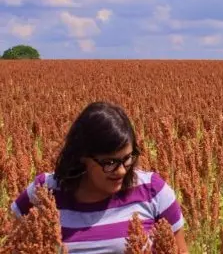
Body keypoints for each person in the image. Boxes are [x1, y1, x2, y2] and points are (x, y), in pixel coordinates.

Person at [10, 101, 189, 253]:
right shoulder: (45, 191)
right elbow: (14, 244)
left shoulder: (154, 191)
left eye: (127, 158)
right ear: (83, 156)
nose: (121, 171)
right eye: (109, 162)